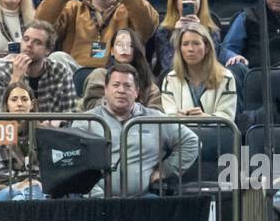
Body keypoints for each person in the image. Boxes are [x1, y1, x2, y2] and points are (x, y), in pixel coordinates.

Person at [73, 61, 199, 197]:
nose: (121, 90)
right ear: (106, 89)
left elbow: (192, 142)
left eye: (127, 86)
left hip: (142, 199)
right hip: (94, 201)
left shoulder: (155, 118)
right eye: (116, 85)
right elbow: (75, 164)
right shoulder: (86, 121)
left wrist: (165, 170)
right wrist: (99, 197)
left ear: (137, 92)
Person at [38, 0, 159, 70]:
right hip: (75, 76)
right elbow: (40, 26)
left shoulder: (129, 10)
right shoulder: (73, 9)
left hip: (116, 75)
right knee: (57, 57)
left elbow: (149, 26)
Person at [0, 18, 78, 117]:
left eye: (37, 42)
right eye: (26, 39)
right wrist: (15, 81)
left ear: (48, 50)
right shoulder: (0, 71)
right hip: (14, 130)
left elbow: (71, 112)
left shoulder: (60, 71)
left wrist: (57, 122)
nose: (29, 45)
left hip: (51, 131)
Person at [149, 0, 231, 79]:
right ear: (175, 2)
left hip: (204, 78)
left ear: (201, 2)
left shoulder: (211, 30)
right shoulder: (164, 30)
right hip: (172, 78)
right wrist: (177, 34)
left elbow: (211, 63)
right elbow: (168, 65)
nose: (190, 2)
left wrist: (200, 32)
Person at [160, 26, 238, 118]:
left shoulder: (226, 78)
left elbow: (227, 116)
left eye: (196, 43)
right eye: (185, 44)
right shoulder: (170, 79)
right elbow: (169, 116)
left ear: (207, 48)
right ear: (180, 49)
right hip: (180, 131)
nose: (190, 49)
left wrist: (205, 118)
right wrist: (179, 117)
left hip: (214, 132)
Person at [80, 27, 162, 111]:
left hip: (139, 123)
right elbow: (91, 107)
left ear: (136, 50)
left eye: (130, 45)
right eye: (119, 44)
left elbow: (156, 115)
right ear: (112, 50)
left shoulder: (148, 84)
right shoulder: (99, 75)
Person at [0, 81, 44, 200]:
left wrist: (32, 183)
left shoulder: (42, 132)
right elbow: (1, 175)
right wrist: (26, 183)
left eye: (24, 99)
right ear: (7, 105)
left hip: (38, 188)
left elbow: (45, 171)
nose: (19, 104)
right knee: (22, 197)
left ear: (32, 104)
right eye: (14, 100)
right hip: (4, 190)